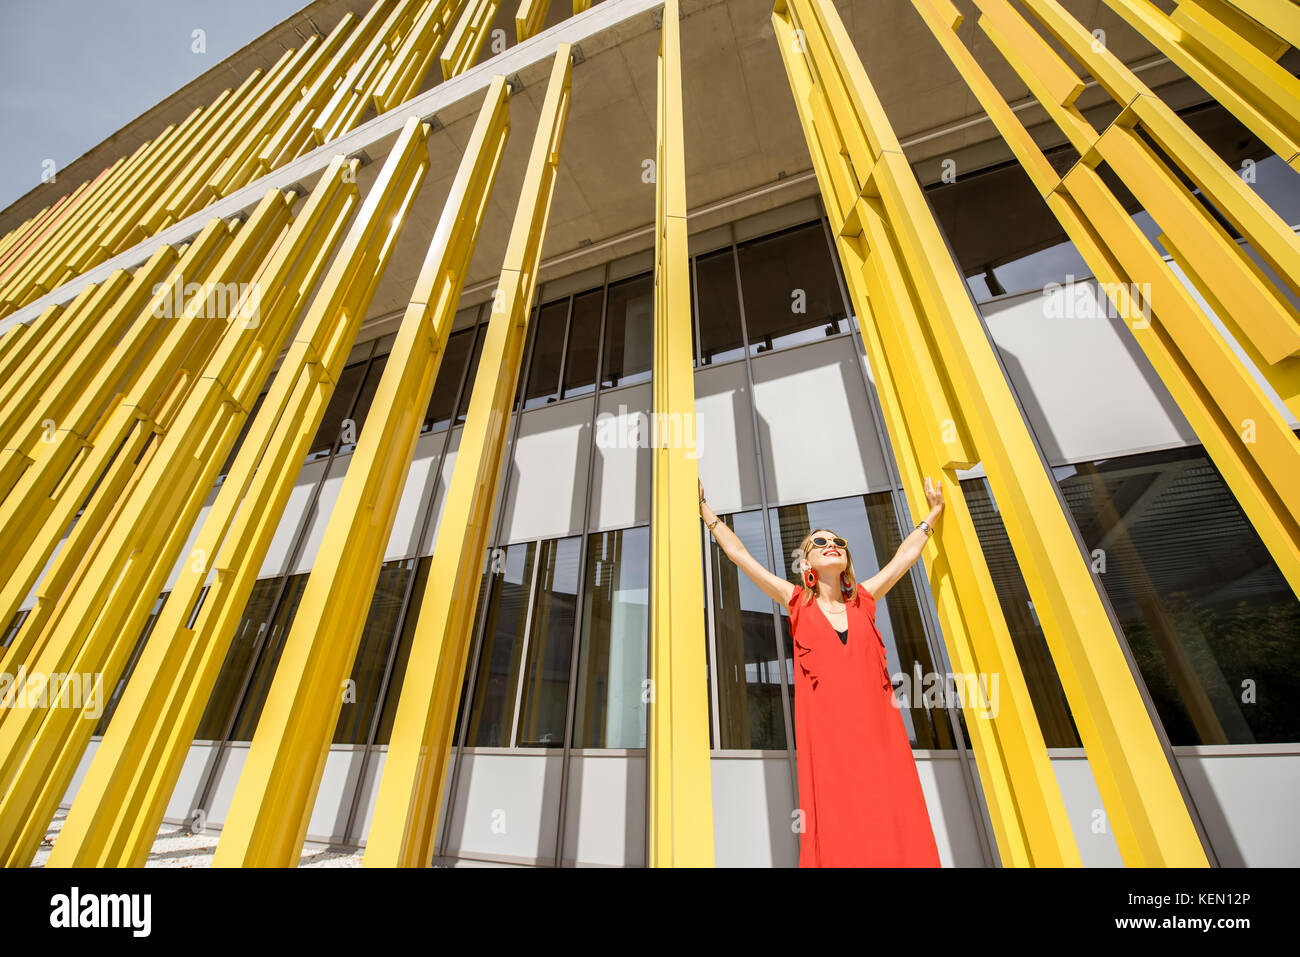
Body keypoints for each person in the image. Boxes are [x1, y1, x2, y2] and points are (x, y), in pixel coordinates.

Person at [698, 476, 945, 867]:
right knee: (838, 819)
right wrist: (706, 512)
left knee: (890, 810)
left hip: (878, 732)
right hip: (829, 738)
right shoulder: (796, 602)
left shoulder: (864, 600)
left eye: (838, 543)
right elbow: (741, 555)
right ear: (806, 563)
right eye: (821, 543)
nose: (832, 546)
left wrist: (932, 515)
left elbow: (903, 559)